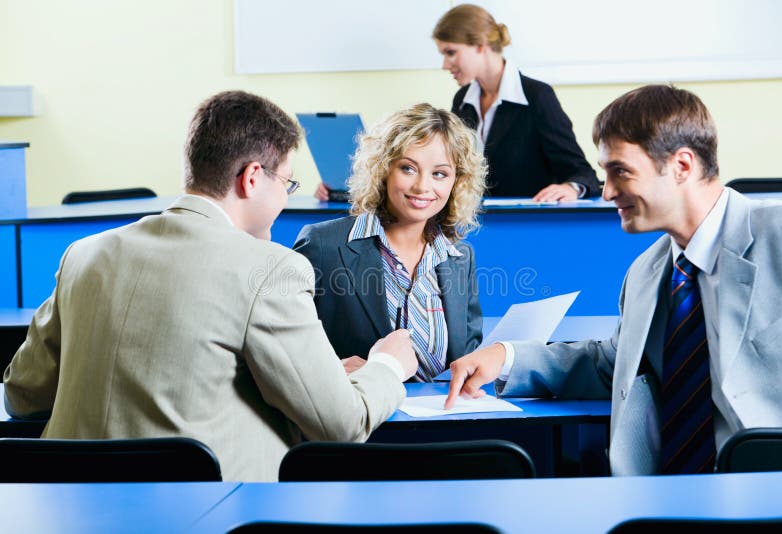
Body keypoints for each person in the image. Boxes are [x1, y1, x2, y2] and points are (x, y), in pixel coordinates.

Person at [3, 90, 417, 482]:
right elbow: (342, 425)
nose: (286, 199)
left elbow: (21, 396)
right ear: (252, 178)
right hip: (209, 512)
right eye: (287, 184)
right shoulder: (269, 268)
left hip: (69, 510)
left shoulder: (83, 254)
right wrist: (387, 366)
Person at [446, 84, 782, 475]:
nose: (607, 192)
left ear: (682, 166)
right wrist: (507, 357)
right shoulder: (647, 273)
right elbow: (610, 364)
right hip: (666, 497)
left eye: (620, 172)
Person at [295, 103, 486, 382]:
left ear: (457, 182)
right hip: (360, 418)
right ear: (383, 169)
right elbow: (282, 349)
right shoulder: (323, 245)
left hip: (442, 421)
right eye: (408, 169)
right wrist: (333, 369)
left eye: (440, 174)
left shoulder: (459, 257)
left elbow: (466, 356)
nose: (422, 186)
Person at [431, 3, 601, 201]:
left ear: (480, 46)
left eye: (450, 52)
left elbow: (581, 172)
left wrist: (572, 188)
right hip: (472, 223)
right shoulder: (462, 99)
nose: (445, 65)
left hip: (525, 223)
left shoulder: (537, 96)